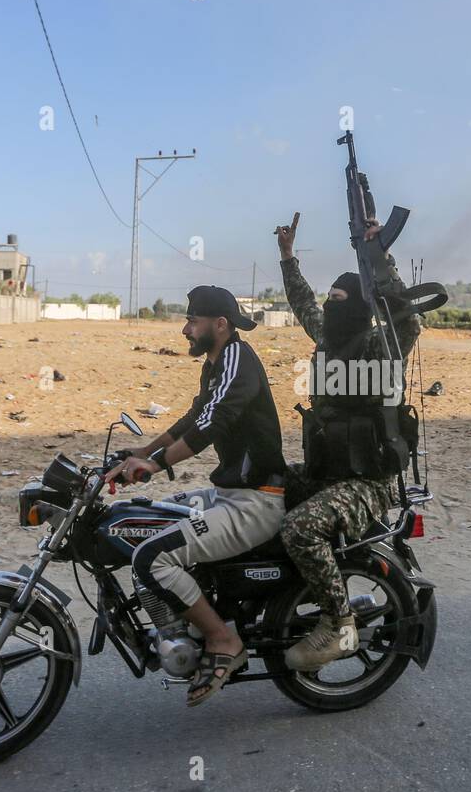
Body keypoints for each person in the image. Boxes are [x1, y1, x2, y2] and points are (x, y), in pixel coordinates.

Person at [106, 285, 286, 706]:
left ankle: (223, 640)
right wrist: (141, 451)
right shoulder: (217, 361)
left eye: (193, 321)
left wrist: (156, 464)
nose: (186, 330)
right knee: (142, 520)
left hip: (255, 500)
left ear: (219, 325)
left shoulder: (238, 359)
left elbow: (211, 425)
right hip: (228, 492)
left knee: (152, 556)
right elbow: (195, 415)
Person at [275, 213, 422, 671]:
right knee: (260, 490)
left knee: (299, 529)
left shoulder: (380, 347)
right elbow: (303, 303)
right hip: (327, 473)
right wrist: (287, 258)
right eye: (329, 298)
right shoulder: (327, 337)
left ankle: (338, 625)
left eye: (338, 298)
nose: (329, 305)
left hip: (367, 482)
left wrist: (379, 257)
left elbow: (406, 319)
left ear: (358, 307)